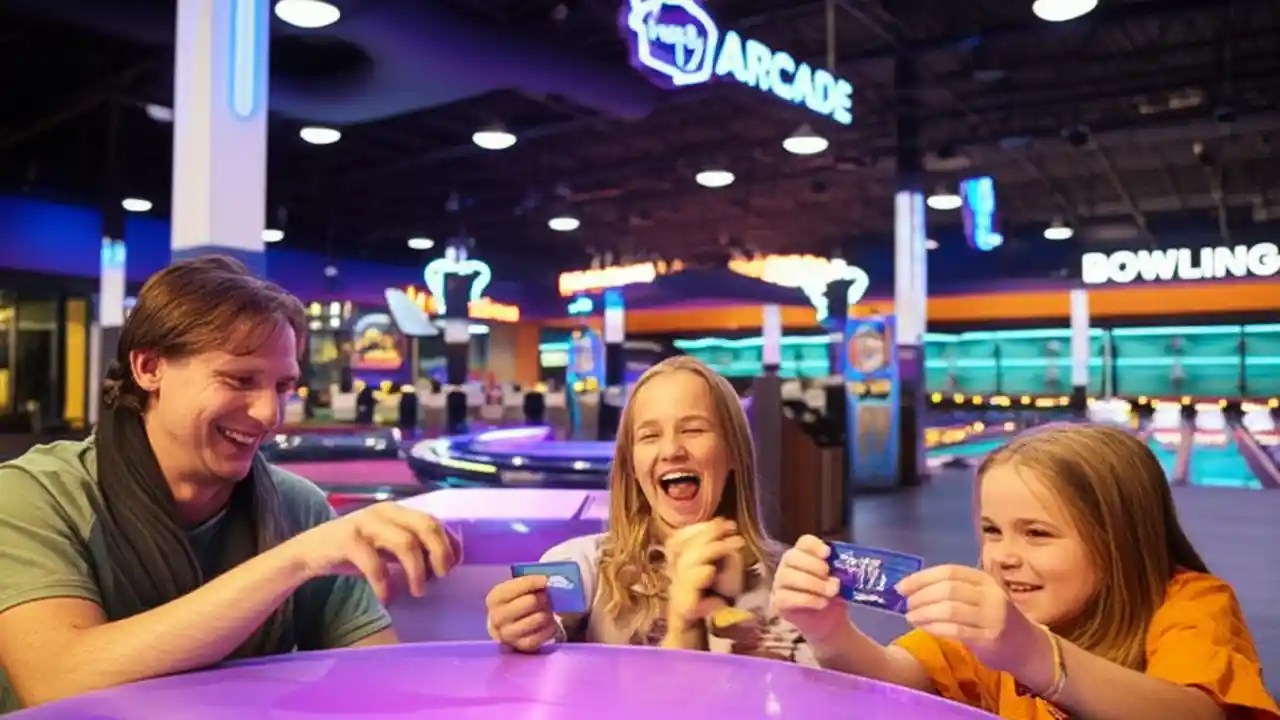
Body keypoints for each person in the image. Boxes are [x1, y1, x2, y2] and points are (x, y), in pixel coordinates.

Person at [0, 256, 461, 711]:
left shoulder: (299, 507)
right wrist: (295, 560)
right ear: (149, 368)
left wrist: (497, 634)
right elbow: (58, 680)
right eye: (240, 380)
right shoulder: (35, 496)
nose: (269, 414)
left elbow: (381, 686)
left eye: (283, 387)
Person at [773, 423, 1278, 720]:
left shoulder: (1191, 603)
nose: (1003, 556)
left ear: (1120, 539)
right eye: (992, 531)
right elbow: (899, 678)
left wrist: (1035, 655)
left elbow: (1195, 715)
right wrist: (830, 633)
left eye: (1036, 533)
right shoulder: (996, 612)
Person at [485, 356, 810, 661]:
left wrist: (828, 636)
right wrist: (523, 629)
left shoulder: (785, 579)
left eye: (693, 430)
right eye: (650, 435)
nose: (671, 450)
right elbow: (542, 653)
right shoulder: (581, 564)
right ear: (631, 464)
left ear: (734, 452)